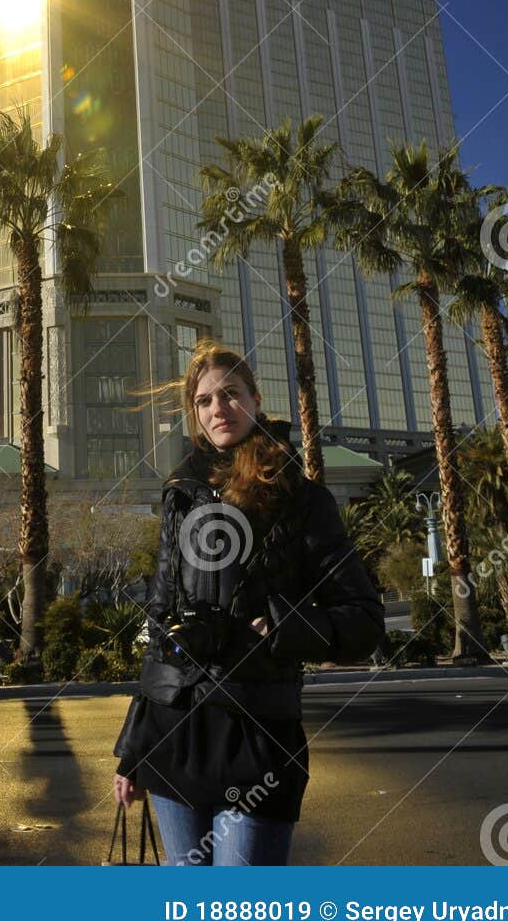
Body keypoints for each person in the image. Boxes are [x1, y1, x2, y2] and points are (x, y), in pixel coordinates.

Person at [112, 343, 384, 866]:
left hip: (258, 739)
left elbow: (364, 620)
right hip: (175, 737)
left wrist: (287, 625)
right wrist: (133, 750)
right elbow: (159, 625)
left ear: (256, 401)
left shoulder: (304, 502)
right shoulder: (181, 495)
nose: (218, 409)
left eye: (230, 394)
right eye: (204, 400)